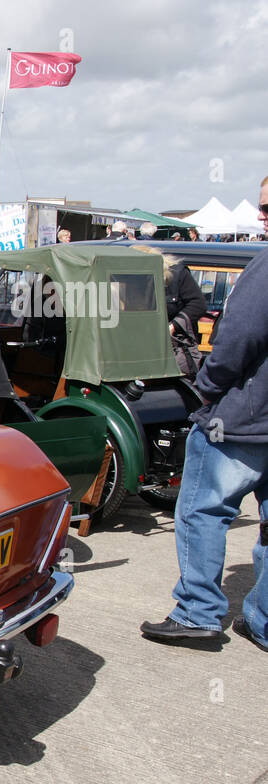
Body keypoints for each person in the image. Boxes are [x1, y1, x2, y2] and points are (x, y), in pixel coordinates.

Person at [141, 177, 268, 649]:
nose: (261, 216)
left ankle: (198, 612)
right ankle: (262, 619)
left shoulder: (266, 267)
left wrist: (208, 389)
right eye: (261, 206)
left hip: (243, 421)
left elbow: (238, 339)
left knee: (201, 511)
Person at [134, 244, 206, 379]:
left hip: (174, 349)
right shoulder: (129, 280)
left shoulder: (177, 274)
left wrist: (173, 326)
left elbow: (198, 304)